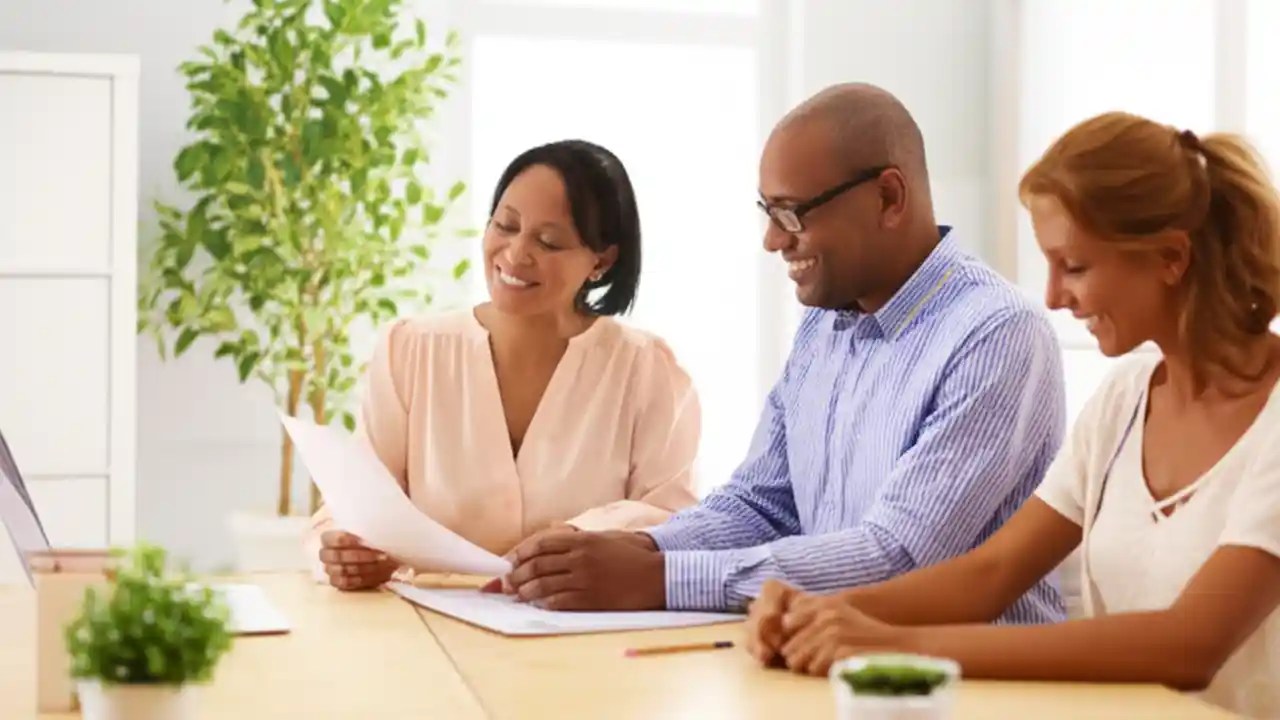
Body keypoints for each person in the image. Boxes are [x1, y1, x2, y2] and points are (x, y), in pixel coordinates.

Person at [744, 112, 1280, 719]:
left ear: (1171, 259)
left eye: (1074, 266)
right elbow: (992, 571)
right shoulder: (1125, 398)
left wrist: (900, 644)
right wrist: (827, 610)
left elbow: (1191, 645)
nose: (1051, 297)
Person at [495, 83, 1067, 618]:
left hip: (975, 688)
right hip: (837, 666)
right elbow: (763, 504)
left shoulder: (996, 335)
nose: (772, 240)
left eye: (792, 213)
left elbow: (899, 556)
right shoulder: (824, 325)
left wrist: (657, 577)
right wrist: (628, 549)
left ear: (889, 197)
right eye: (767, 212)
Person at [310, 140, 700, 591]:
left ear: (602, 259)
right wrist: (347, 549)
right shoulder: (411, 349)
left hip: (581, 632)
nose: (515, 255)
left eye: (549, 241)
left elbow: (673, 516)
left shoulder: (647, 370)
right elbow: (354, 502)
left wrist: (582, 535)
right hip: (426, 630)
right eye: (506, 225)